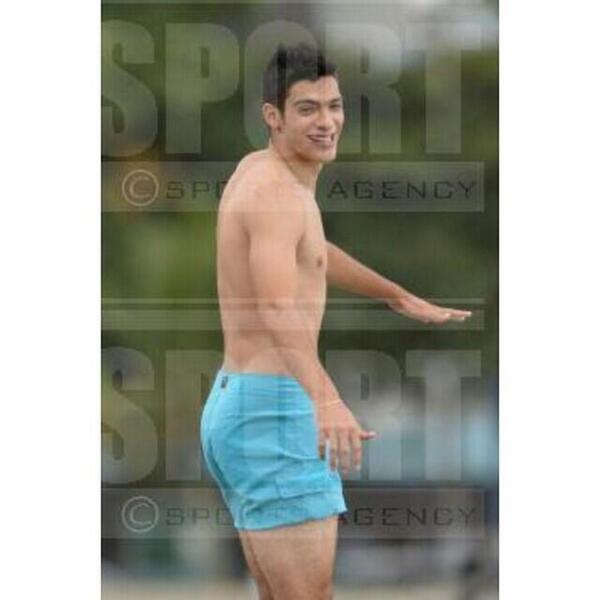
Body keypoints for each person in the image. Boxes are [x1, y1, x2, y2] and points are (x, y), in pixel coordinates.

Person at [200, 43, 472, 600]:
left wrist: (395, 294)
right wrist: (326, 401)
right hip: (273, 413)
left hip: (246, 404)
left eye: (334, 105)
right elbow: (276, 308)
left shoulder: (266, 173)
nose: (326, 122)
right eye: (307, 109)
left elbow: (313, 252)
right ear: (273, 116)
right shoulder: (275, 193)